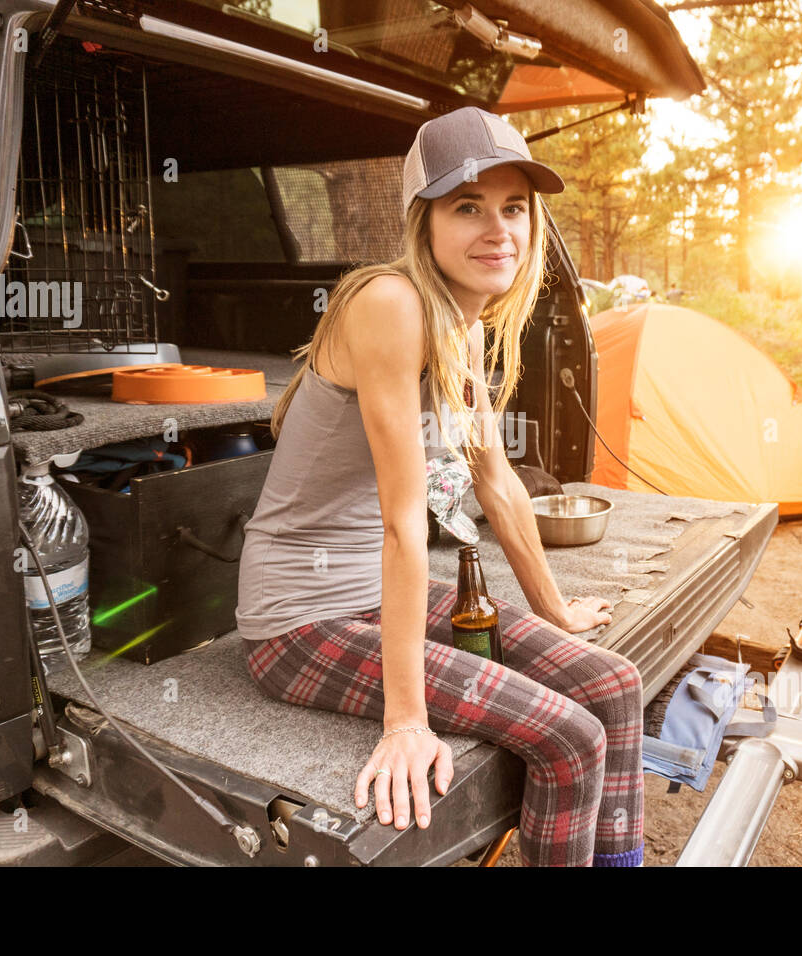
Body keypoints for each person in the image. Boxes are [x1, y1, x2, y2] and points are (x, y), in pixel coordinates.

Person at [235, 107, 645, 867]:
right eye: (468, 207)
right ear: (422, 222)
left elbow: (496, 479)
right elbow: (402, 523)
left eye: (514, 208)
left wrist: (555, 611)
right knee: (570, 737)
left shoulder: (464, 323)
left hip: (381, 596)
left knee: (615, 685)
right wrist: (405, 722)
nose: (500, 231)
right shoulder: (389, 305)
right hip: (299, 618)